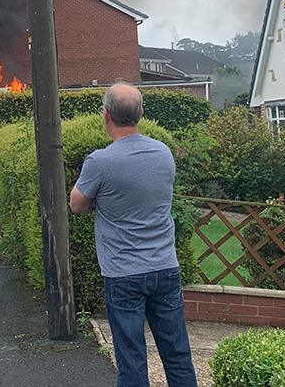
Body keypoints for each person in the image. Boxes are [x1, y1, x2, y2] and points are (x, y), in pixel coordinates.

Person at [69, 83, 197, 387]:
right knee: (177, 354)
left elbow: (76, 205)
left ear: (106, 115)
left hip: (123, 273)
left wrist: (102, 200)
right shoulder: (163, 152)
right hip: (165, 267)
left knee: (131, 358)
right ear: (141, 113)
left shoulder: (99, 161)